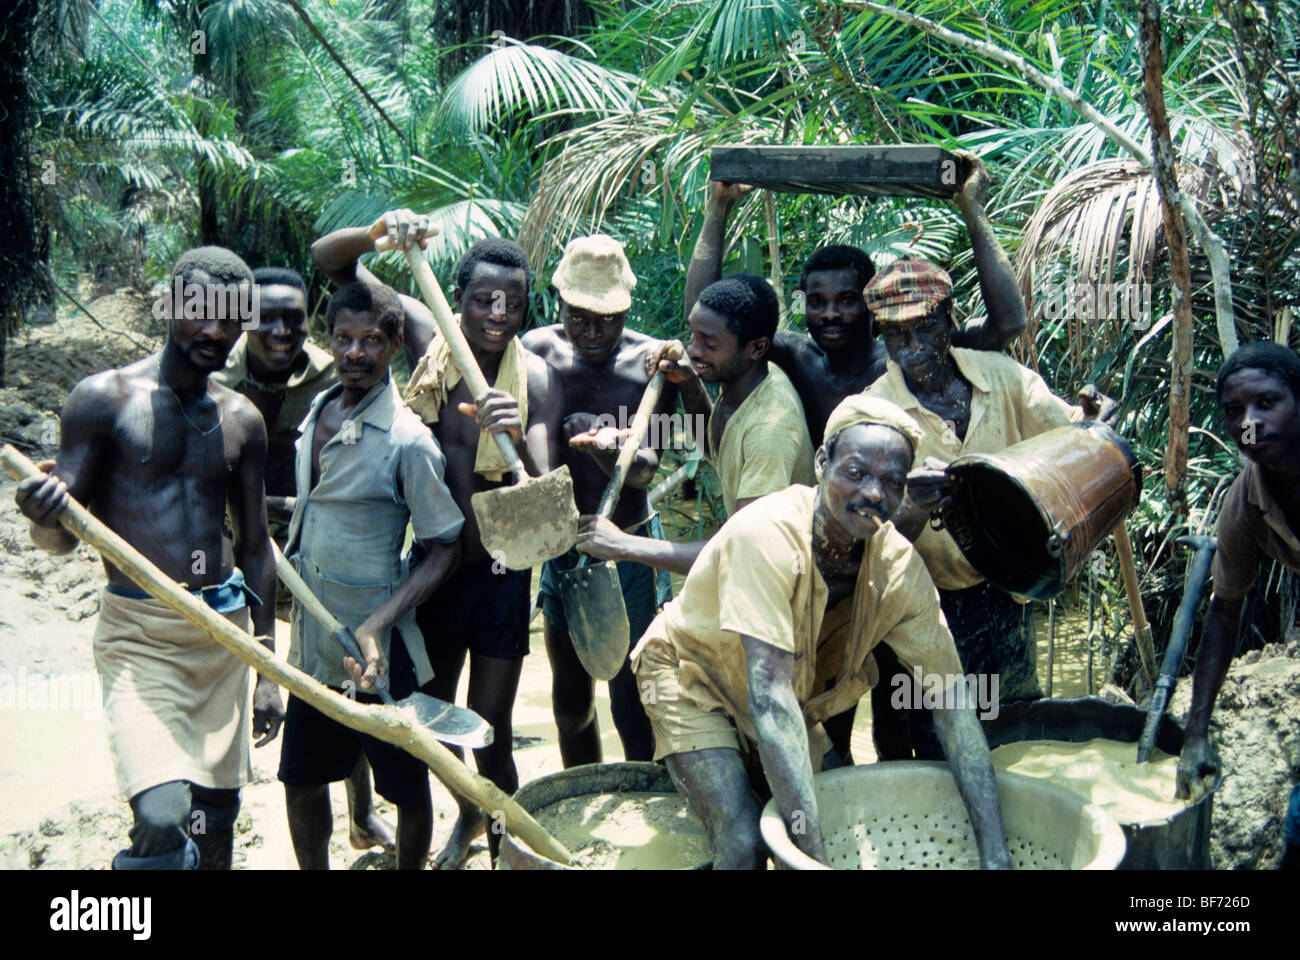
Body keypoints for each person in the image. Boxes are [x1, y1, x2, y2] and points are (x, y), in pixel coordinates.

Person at [631, 394, 1012, 869]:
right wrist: (812, 862)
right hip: (691, 676)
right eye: (855, 473)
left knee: (842, 813)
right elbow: (769, 700)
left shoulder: (899, 569)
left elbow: (953, 707)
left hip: (787, 699)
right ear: (821, 463)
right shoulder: (765, 535)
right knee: (745, 841)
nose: (874, 493)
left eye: (893, 482)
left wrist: (995, 855)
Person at [15, 246, 284, 869]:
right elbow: (61, 540)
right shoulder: (102, 400)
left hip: (223, 638)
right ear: (171, 305)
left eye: (230, 318)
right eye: (199, 312)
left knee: (214, 823)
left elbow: (252, 545)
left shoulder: (241, 418)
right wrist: (43, 517)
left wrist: (267, 669)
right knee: (162, 820)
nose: (214, 331)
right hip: (141, 638)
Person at [336, 225, 561, 869]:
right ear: (455, 297)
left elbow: (545, 496)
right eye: (483, 300)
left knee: (491, 728)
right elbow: (339, 264)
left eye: (512, 304)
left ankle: (504, 844)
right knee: (431, 719)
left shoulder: (538, 379)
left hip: (499, 576)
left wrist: (516, 431)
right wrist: (385, 232)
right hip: (434, 571)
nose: (497, 315)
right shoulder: (428, 336)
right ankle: (465, 814)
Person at [863, 258, 1115, 760]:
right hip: (925, 603)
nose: (912, 345)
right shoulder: (873, 414)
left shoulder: (1002, 379)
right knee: (940, 737)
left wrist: (1094, 421)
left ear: (951, 320)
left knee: (1018, 723)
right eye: (895, 333)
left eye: (925, 326)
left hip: (1009, 588)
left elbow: (1073, 437)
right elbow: (860, 541)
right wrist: (912, 506)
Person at [277, 281, 464, 870]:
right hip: (312, 641)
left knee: (406, 783)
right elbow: (316, 504)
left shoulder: (409, 442)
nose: (355, 353)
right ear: (327, 339)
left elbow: (444, 548)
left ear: (395, 344)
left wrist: (379, 625)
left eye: (372, 341)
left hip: (378, 649)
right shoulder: (316, 410)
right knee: (301, 776)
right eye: (343, 339)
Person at [213, 267, 395, 855]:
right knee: (235, 677)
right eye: (267, 317)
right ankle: (215, 805)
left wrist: (279, 504)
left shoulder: (332, 371)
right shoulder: (215, 378)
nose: (281, 331)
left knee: (342, 677)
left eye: (294, 318)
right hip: (227, 552)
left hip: (313, 550)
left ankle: (362, 814)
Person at [683, 151, 1026, 447]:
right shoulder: (794, 356)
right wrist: (718, 206)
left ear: (871, 306)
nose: (830, 314)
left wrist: (971, 208)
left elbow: (1008, 322)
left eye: (846, 300)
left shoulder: (909, 351)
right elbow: (705, 316)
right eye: (817, 302)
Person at [521, 235, 675, 766]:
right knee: (569, 699)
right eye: (579, 317)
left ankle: (643, 790)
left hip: (628, 543)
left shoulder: (650, 363)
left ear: (626, 310)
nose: (592, 332)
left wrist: (614, 450)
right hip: (563, 543)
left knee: (633, 699)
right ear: (558, 303)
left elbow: (651, 468)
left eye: (606, 320)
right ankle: (580, 788)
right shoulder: (535, 351)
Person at [576, 274, 815, 575]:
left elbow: (744, 549)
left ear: (756, 348)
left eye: (709, 344)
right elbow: (715, 448)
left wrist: (623, 545)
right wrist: (689, 382)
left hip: (776, 576)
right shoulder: (746, 385)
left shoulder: (770, 430)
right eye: (693, 337)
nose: (694, 350)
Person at [1177, 342, 1300, 868]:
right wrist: (1196, 735)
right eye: (1234, 412)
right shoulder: (1245, 503)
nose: (1248, 424)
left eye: (1267, 403)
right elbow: (1224, 615)